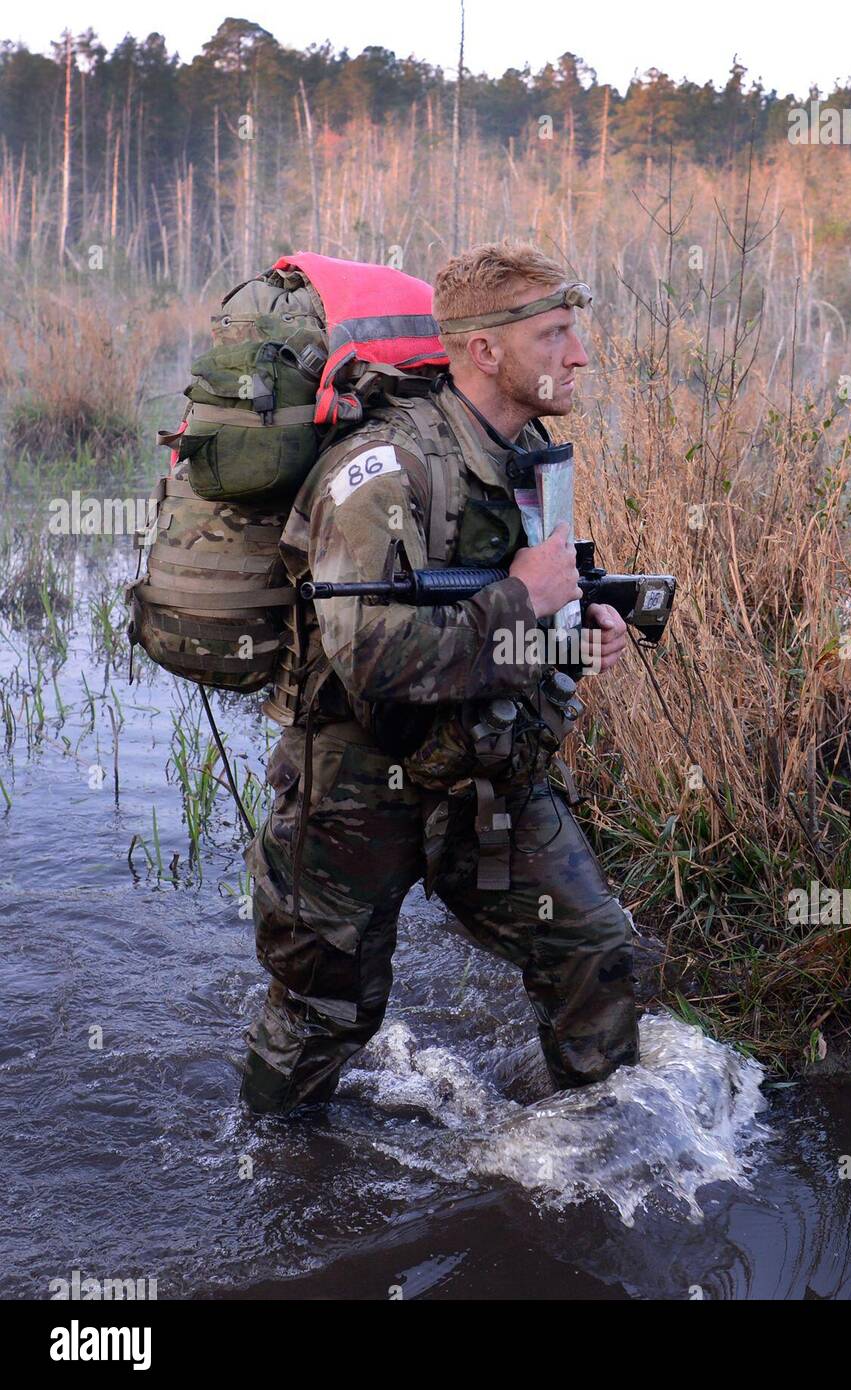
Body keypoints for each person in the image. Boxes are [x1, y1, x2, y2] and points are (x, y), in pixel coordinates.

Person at [239, 241, 641, 1115]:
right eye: (556, 336)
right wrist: (522, 601)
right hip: (354, 789)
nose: (581, 355)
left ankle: (588, 1165)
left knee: (596, 959)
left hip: (488, 772)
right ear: (485, 350)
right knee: (324, 1017)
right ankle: (276, 1186)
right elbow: (369, 660)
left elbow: (528, 602)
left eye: (576, 333)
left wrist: (575, 633)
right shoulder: (382, 471)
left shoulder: (529, 453)